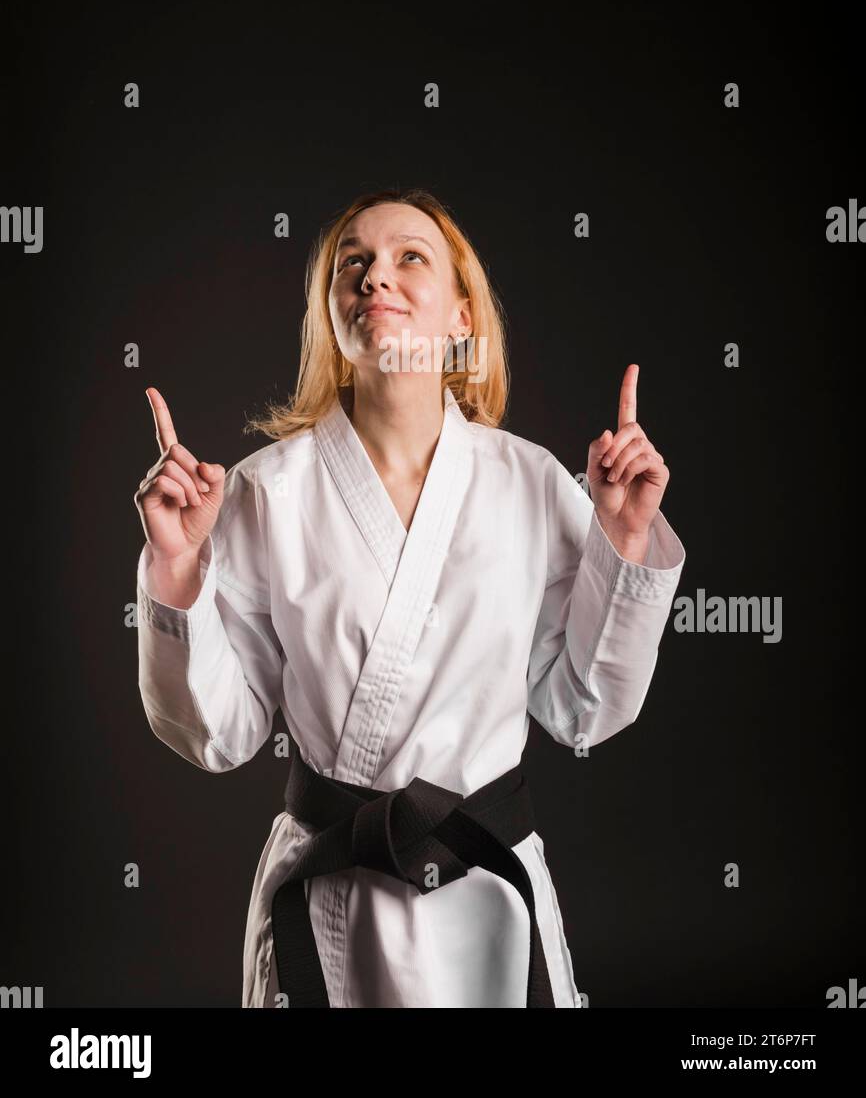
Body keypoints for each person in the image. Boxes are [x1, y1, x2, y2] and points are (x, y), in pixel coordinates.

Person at [133, 187, 686, 1008]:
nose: (374, 276)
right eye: (352, 263)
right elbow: (219, 733)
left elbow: (584, 707)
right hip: (334, 892)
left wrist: (626, 541)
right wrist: (177, 569)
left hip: (483, 895)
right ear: (331, 312)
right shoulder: (265, 492)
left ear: (462, 316)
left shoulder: (529, 483)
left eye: (409, 257)